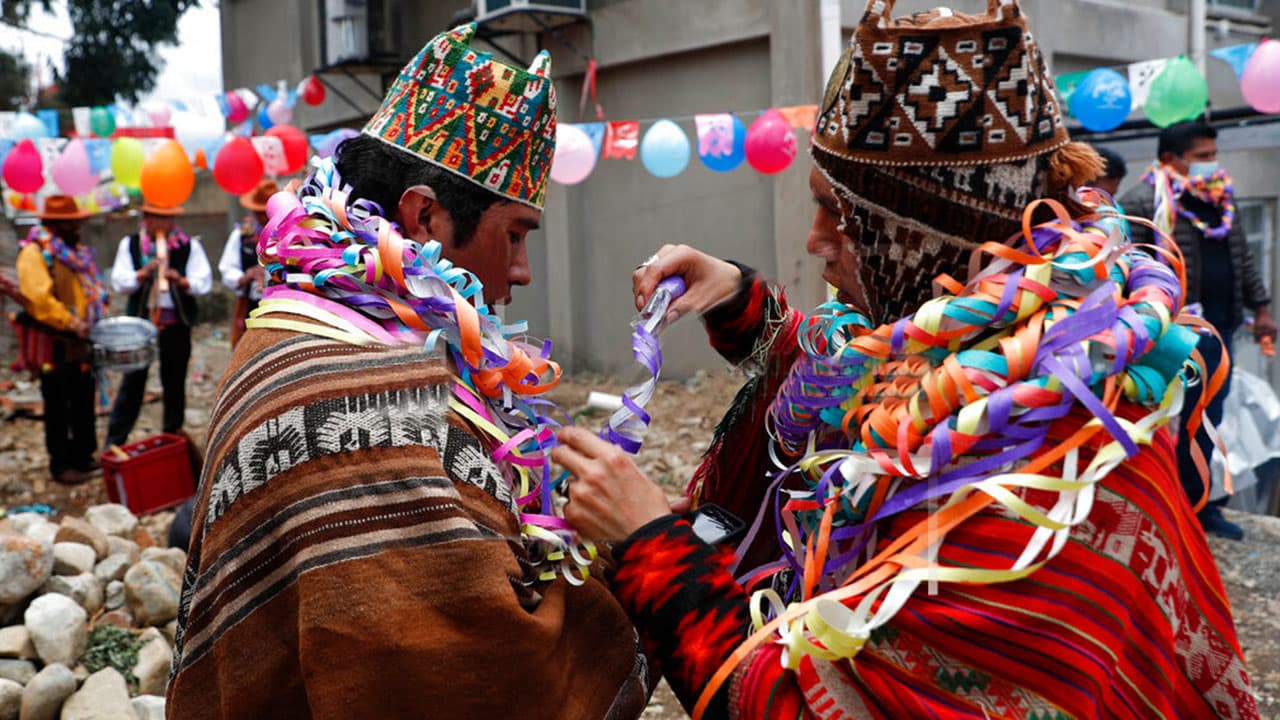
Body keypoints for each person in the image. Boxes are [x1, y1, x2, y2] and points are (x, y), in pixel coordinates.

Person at [553, 1, 1260, 718]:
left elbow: (804, 708)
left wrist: (654, 545)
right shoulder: (1002, 344)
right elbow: (841, 372)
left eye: (843, 215)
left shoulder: (1030, 483)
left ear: (917, 239)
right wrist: (737, 296)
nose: (812, 241)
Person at [166, 25, 651, 719]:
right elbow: (469, 664)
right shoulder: (364, 391)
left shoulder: (299, 318)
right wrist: (640, 555)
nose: (522, 271)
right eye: (513, 234)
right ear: (423, 217)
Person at [1121, 121, 1275, 541]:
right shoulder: (1141, 201)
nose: (1212, 163)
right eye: (1203, 156)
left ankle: (1198, 507)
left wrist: (1260, 308)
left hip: (1219, 331)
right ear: (1171, 159)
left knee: (1206, 421)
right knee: (1164, 420)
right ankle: (1157, 506)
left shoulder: (1220, 198)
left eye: (1213, 154)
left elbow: (1241, 256)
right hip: (1170, 336)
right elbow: (1128, 271)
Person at [104, 201, 212, 449]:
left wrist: (180, 280)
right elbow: (120, 282)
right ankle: (115, 442)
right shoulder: (130, 244)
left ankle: (172, 437)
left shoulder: (188, 245)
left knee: (174, 382)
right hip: (141, 326)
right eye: (156, 217)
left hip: (176, 324)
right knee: (132, 382)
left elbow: (203, 282)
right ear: (146, 218)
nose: (162, 224)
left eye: (167, 218)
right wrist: (143, 273)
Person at [15, 196, 107, 485]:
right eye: (71, 221)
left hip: (80, 340)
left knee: (82, 399)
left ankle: (83, 456)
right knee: (57, 404)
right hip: (54, 341)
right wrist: (70, 322)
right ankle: (62, 464)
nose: (78, 225)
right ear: (55, 224)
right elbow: (38, 300)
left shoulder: (74, 253)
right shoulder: (34, 253)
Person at [217, 179, 275, 346]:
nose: (263, 217)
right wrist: (247, 276)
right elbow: (227, 268)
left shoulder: (288, 233)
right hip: (251, 304)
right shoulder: (242, 234)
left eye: (266, 211)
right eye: (258, 212)